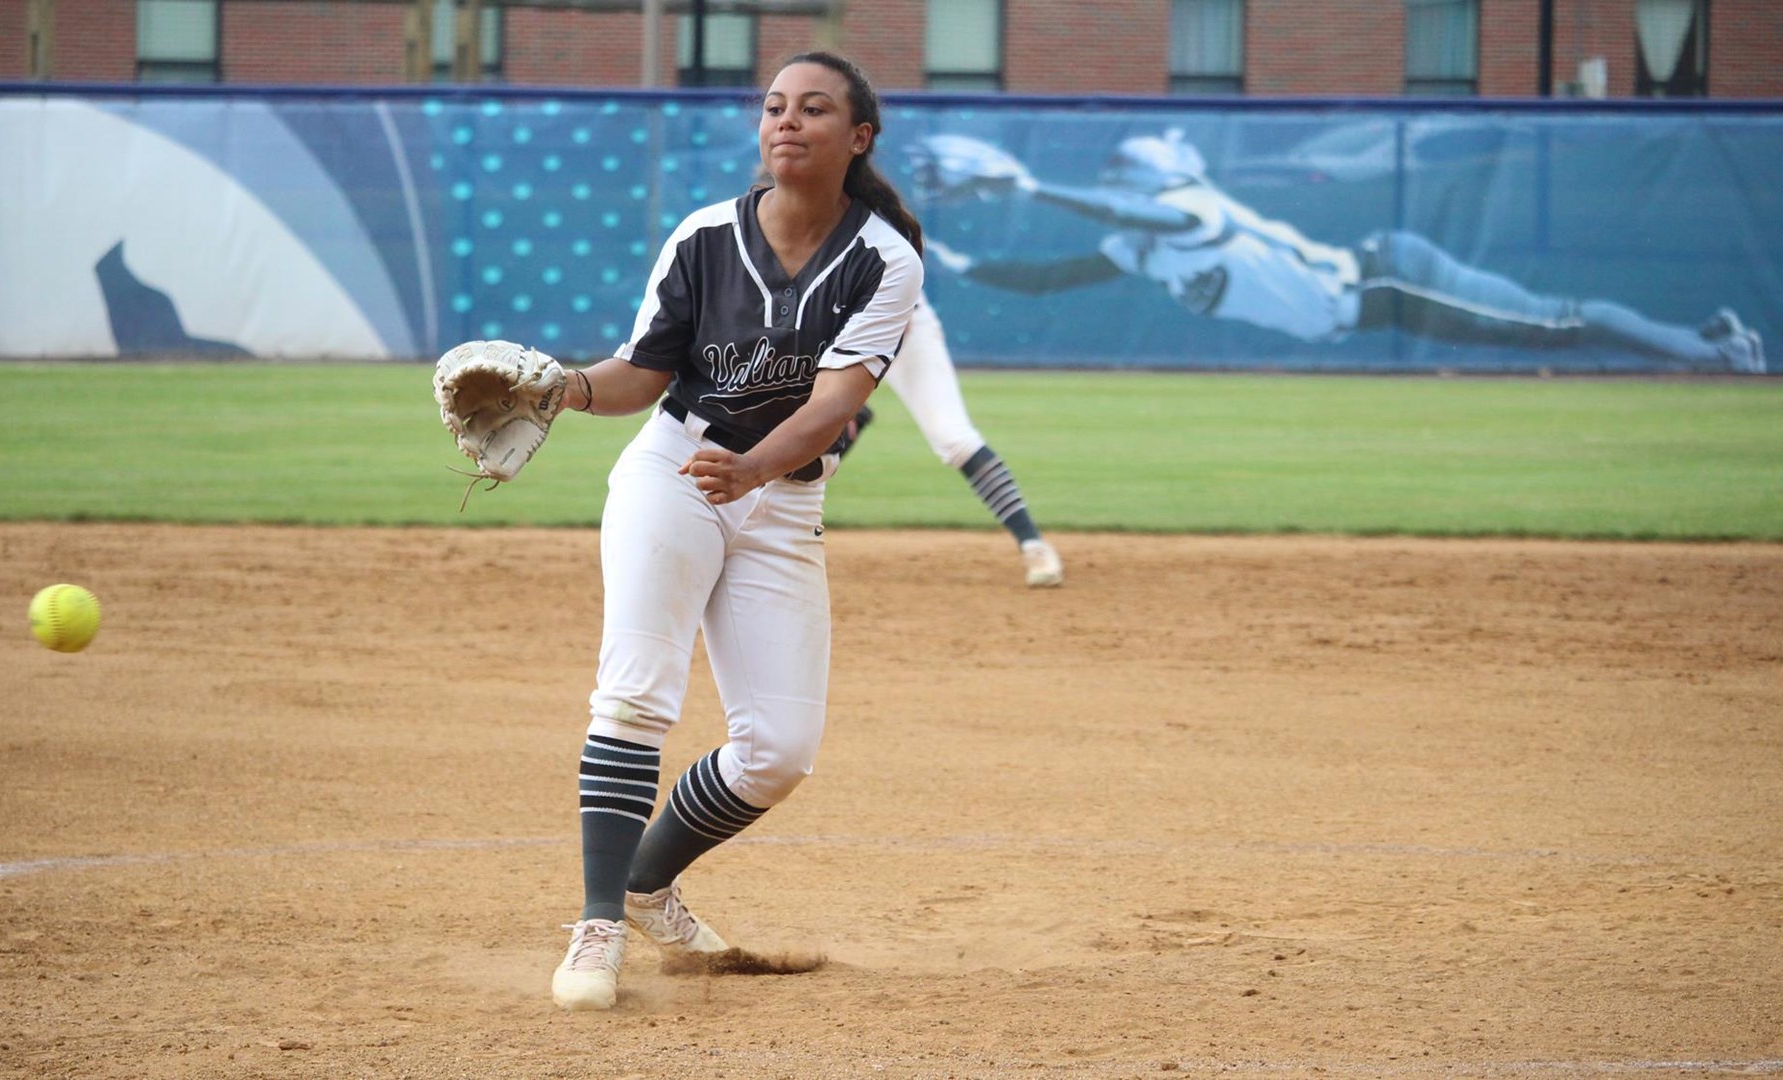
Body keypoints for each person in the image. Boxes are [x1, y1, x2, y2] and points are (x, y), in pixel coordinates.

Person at [537, 51, 923, 1011]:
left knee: (779, 749)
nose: (786, 121)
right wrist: (562, 389)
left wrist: (754, 471)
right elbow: (639, 373)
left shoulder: (886, 258)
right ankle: (594, 926)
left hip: (783, 498)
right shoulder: (705, 236)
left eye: (815, 109)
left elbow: (838, 402)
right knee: (634, 696)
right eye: (775, 107)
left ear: (857, 138)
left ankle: (642, 884)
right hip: (675, 472)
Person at [909, 131, 1765, 375]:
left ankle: (1717, 349)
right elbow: (1054, 276)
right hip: (1372, 293)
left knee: (1555, 325)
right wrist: (958, 263)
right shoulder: (1142, 243)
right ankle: (1713, 331)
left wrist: (1026, 186)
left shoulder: (1187, 209)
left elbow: (1120, 208)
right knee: (1547, 328)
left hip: (1387, 279)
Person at [846, 298, 1064, 587]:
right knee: (798, 424)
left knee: (954, 439)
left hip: (898, 319)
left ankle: (1033, 545)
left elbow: (901, 273)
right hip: (821, 324)